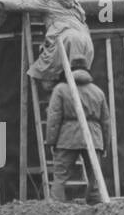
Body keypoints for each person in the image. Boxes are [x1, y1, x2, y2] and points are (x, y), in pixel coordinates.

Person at [0, 0, 95, 86]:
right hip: (87, 39)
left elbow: (21, 6)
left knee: (43, 74)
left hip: (66, 37)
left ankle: (55, 97)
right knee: (80, 79)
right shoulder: (75, 4)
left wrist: (2, 1)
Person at [45, 55, 110, 205]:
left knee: (60, 177)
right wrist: (105, 145)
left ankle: (56, 208)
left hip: (67, 137)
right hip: (94, 137)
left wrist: (51, 141)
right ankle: (96, 207)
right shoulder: (98, 92)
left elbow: (53, 118)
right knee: (94, 177)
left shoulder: (61, 89)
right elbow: (106, 122)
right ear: (87, 70)